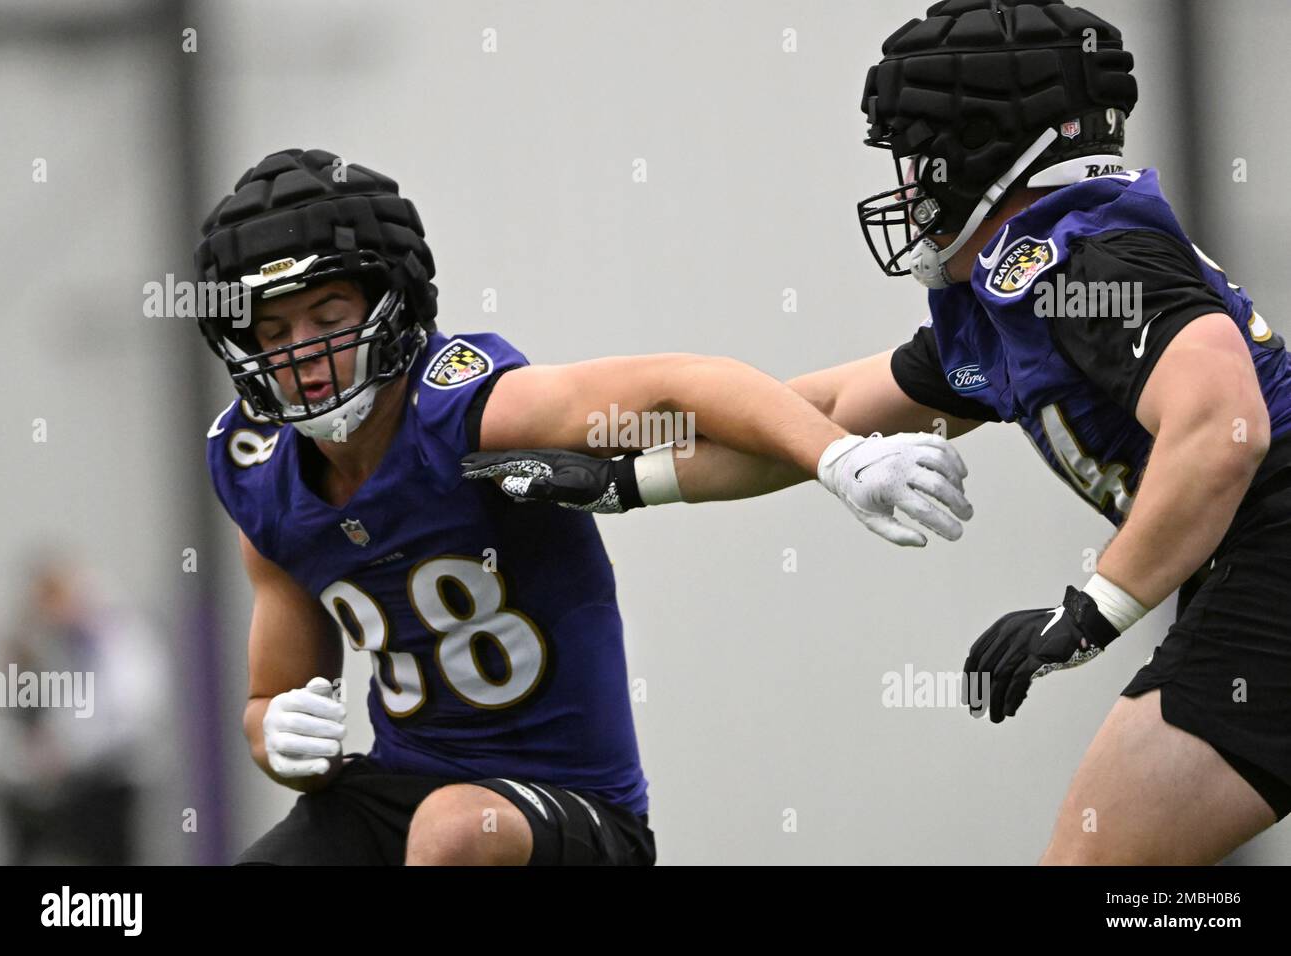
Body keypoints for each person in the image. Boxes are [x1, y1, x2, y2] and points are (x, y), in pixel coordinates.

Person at [463, 0, 1291, 864]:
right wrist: (623, 477)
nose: (906, 191)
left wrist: (1090, 613)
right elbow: (812, 417)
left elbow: (1223, 428)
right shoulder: (1003, 303)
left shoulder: (1084, 262)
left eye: (919, 162)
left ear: (987, 150)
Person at [195, 148, 973, 865]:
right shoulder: (259, 476)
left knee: (453, 832)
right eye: (273, 330)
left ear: (390, 305)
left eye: (329, 319)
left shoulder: (469, 413)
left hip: (570, 806)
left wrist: (835, 456)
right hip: (397, 787)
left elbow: (677, 389)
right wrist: (278, 739)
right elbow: (271, 700)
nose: (302, 352)